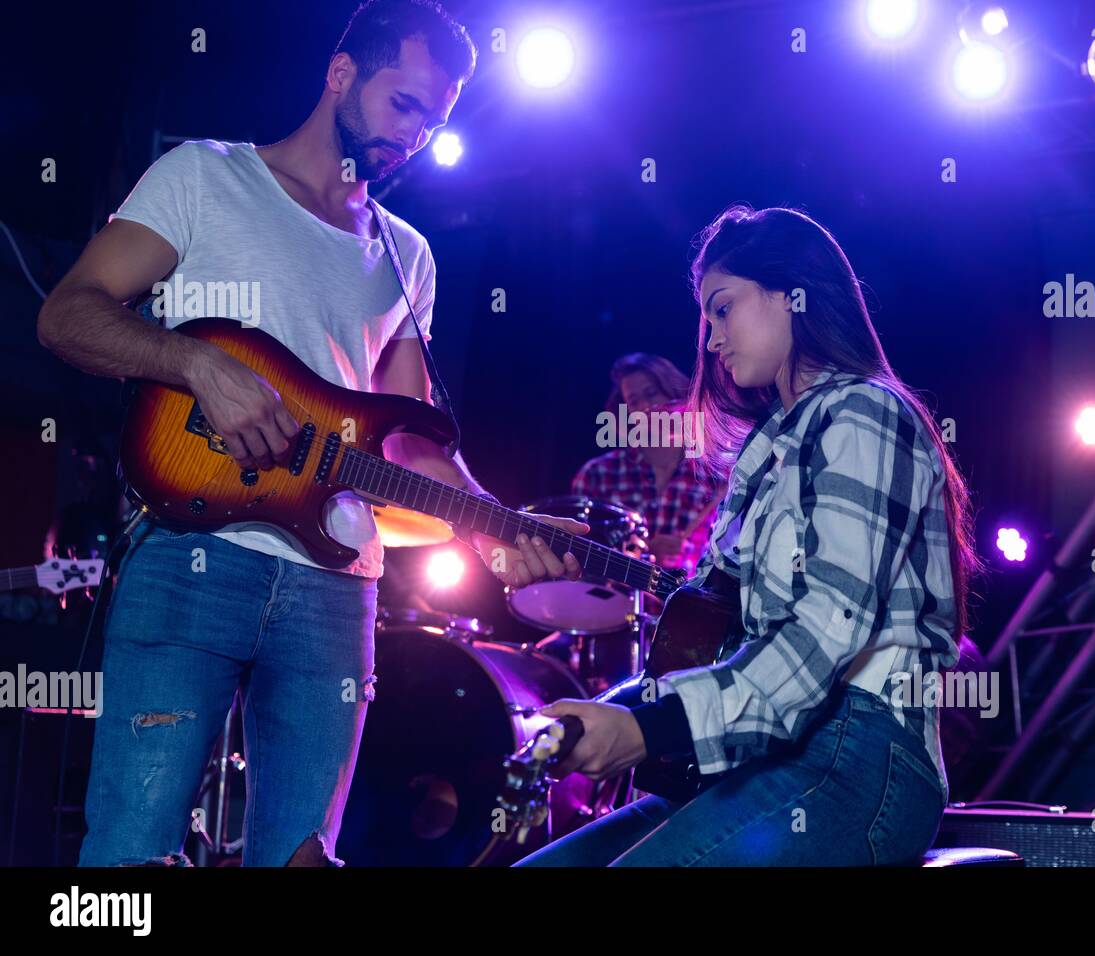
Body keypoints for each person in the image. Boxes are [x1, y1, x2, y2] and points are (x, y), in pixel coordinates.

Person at [36, 0, 584, 867]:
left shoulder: (408, 255)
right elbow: (67, 317)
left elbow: (406, 447)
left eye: (433, 122)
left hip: (337, 590)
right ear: (342, 74)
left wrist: (493, 523)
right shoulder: (206, 176)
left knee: (302, 862)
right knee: (127, 862)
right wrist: (197, 366)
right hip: (189, 556)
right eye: (404, 104)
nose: (413, 136)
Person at [516, 204, 980, 866]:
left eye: (722, 308)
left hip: (858, 760)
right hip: (755, 756)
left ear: (793, 293)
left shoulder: (867, 412)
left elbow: (827, 631)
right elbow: (709, 620)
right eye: (706, 317)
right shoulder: (769, 447)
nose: (709, 339)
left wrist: (648, 727)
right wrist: (584, 560)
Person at [572, 353, 722, 577]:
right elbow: (578, 560)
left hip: (694, 608)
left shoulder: (718, 471)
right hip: (614, 609)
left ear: (676, 394)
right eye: (634, 402)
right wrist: (645, 554)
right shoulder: (597, 475)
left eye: (652, 394)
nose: (645, 407)